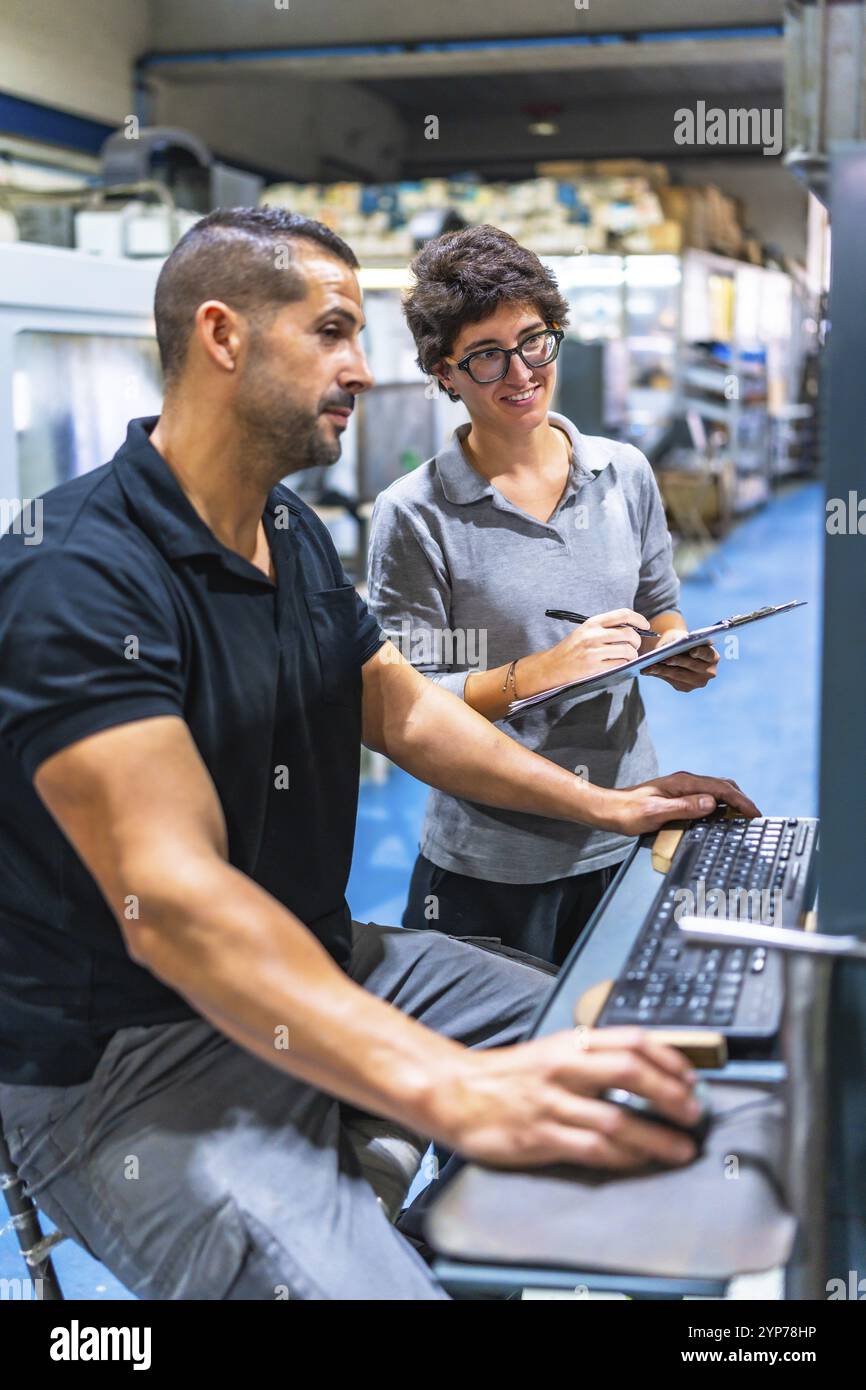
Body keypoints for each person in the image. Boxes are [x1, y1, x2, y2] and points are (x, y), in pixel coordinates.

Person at [0, 208, 757, 1301]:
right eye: (334, 330)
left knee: (642, 1036)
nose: (361, 368)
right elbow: (168, 900)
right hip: (131, 1059)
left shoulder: (290, 534)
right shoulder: (77, 578)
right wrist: (449, 1089)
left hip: (327, 961)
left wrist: (609, 808)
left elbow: (402, 712)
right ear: (223, 335)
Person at [368, 224, 721, 967]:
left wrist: (670, 648)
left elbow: (661, 601)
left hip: (625, 827)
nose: (521, 371)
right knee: (495, 1066)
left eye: (535, 341)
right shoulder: (416, 512)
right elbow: (409, 703)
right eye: (486, 355)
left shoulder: (623, 473)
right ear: (444, 372)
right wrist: (542, 672)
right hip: (492, 864)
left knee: (609, 1039)